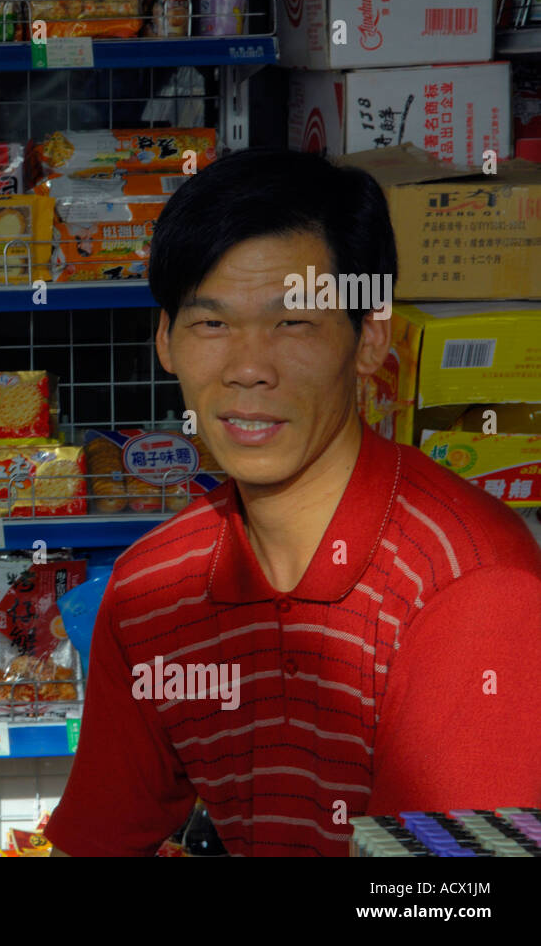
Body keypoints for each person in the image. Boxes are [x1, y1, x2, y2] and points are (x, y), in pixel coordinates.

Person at [45, 148, 541, 857]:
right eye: (212, 324)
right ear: (165, 340)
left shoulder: (472, 586)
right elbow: (95, 841)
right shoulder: (152, 589)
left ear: (370, 338)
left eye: (294, 324)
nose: (249, 368)